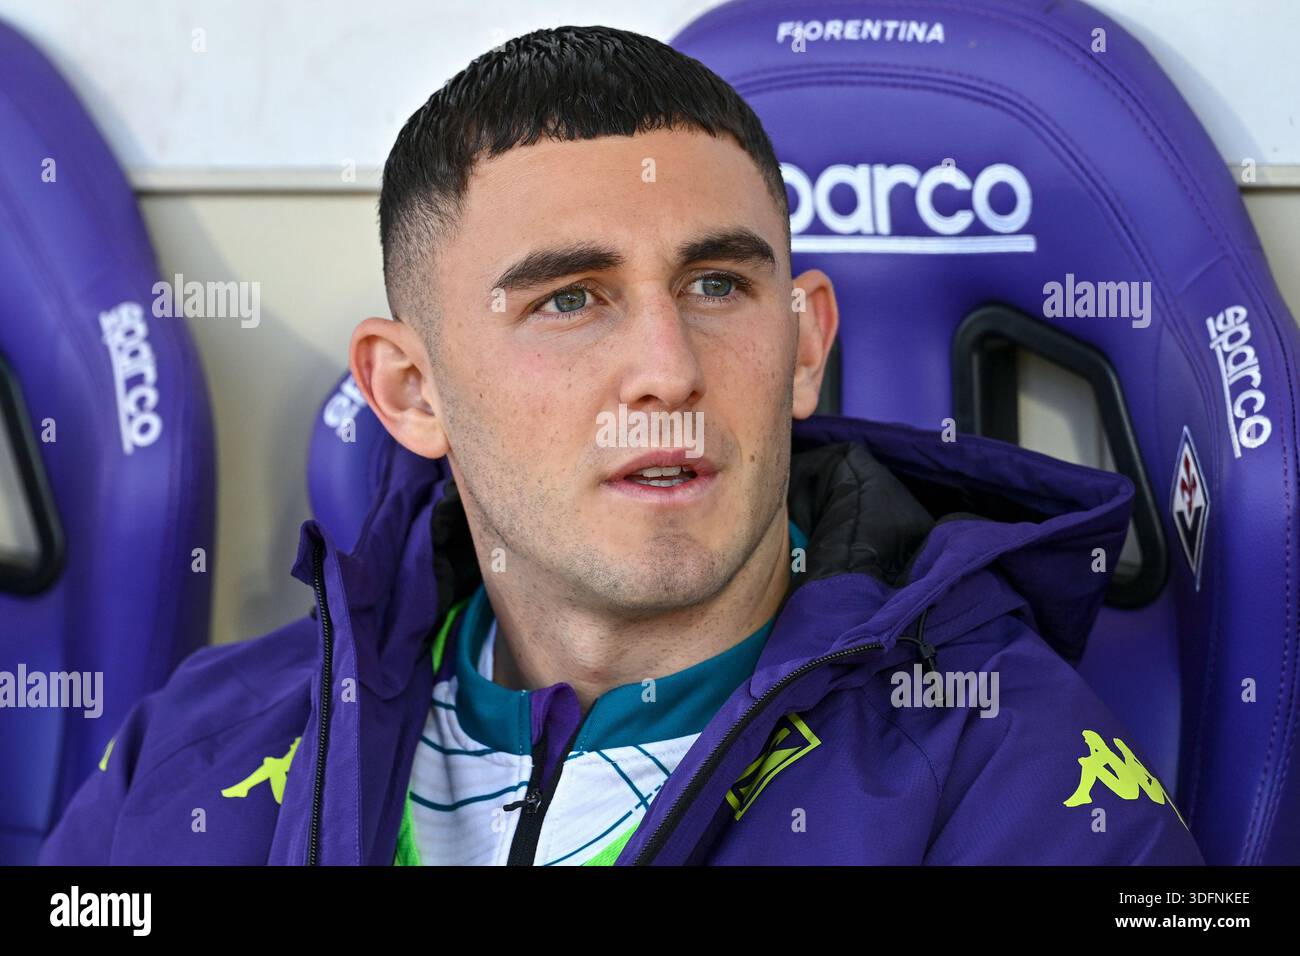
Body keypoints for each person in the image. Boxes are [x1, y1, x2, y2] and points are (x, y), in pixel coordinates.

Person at [39, 25, 1203, 866]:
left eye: (714, 283)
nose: (667, 365)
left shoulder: (1024, 779)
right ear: (409, 390)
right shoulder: (199, 750)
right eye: (569, 299)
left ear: (804, 346)